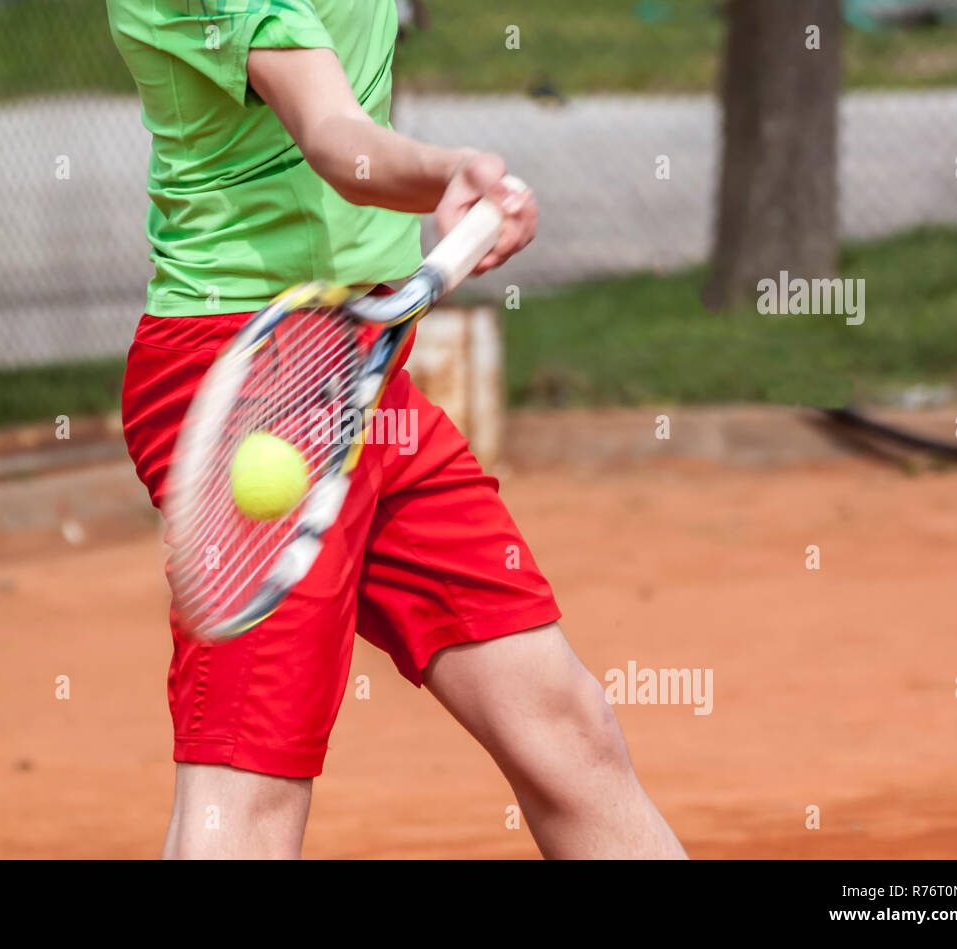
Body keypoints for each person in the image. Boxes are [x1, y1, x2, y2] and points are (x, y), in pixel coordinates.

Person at [109, 0, 686, 859]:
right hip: (251, 388)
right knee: (246, 791)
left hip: (365, 365)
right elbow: (335, 131)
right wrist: (449, 170)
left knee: (567, 730)